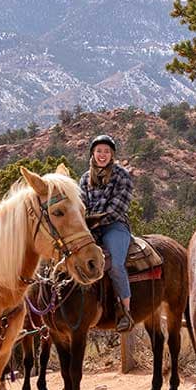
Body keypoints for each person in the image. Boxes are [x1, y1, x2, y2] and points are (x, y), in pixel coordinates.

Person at [79, 134, 135, 333]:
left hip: (115, 226)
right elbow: (81, 205)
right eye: (99, 151)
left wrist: (95, 221)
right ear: (93, 154)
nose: (102, 155)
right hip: (90, 227)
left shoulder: (122, 176)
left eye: (106, 151)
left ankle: (125, 310)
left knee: (116, 264)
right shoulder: (85, 178)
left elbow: (118, 207)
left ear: (112, 155)